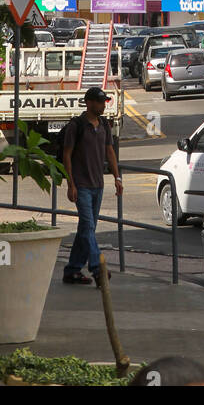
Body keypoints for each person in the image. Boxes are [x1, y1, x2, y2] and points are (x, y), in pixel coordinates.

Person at [62, 87, 123, 287]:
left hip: (98, 184)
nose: (103, 105)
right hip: (82, 185)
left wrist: (117, 177)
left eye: (104, 101)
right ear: (88, 103)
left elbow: (110, 152)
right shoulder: (76, 126)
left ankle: (72, 270)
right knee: (88, 226)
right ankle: (98, 268)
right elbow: (67, 156)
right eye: (99, 102)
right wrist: (71, 184)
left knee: (86, 229)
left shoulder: (104, 124)